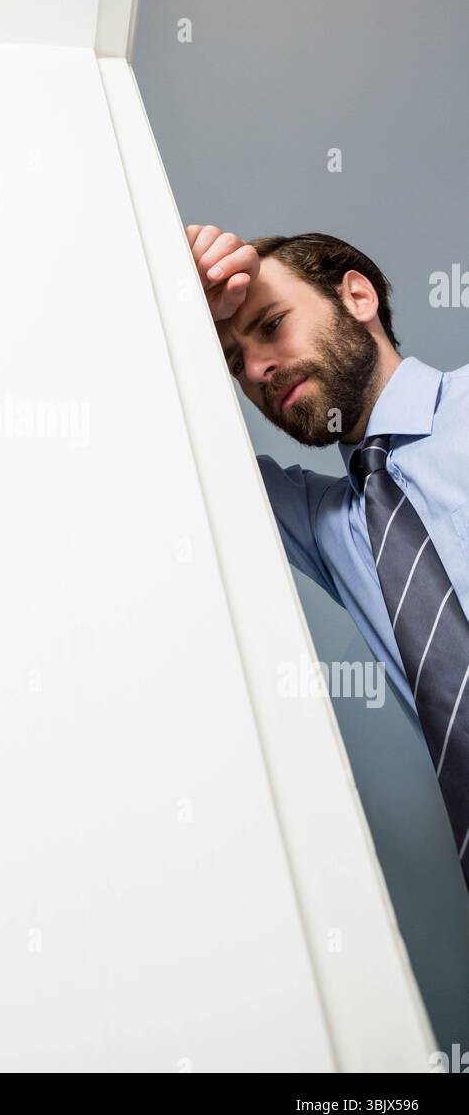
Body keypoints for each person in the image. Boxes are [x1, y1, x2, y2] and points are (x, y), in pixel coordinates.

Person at [186, 224, 469, 889]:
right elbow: (155, 440)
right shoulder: (325, 523)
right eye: (234, 362)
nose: (256, 369)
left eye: (272, 323)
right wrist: (166, 297)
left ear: (359, 296)